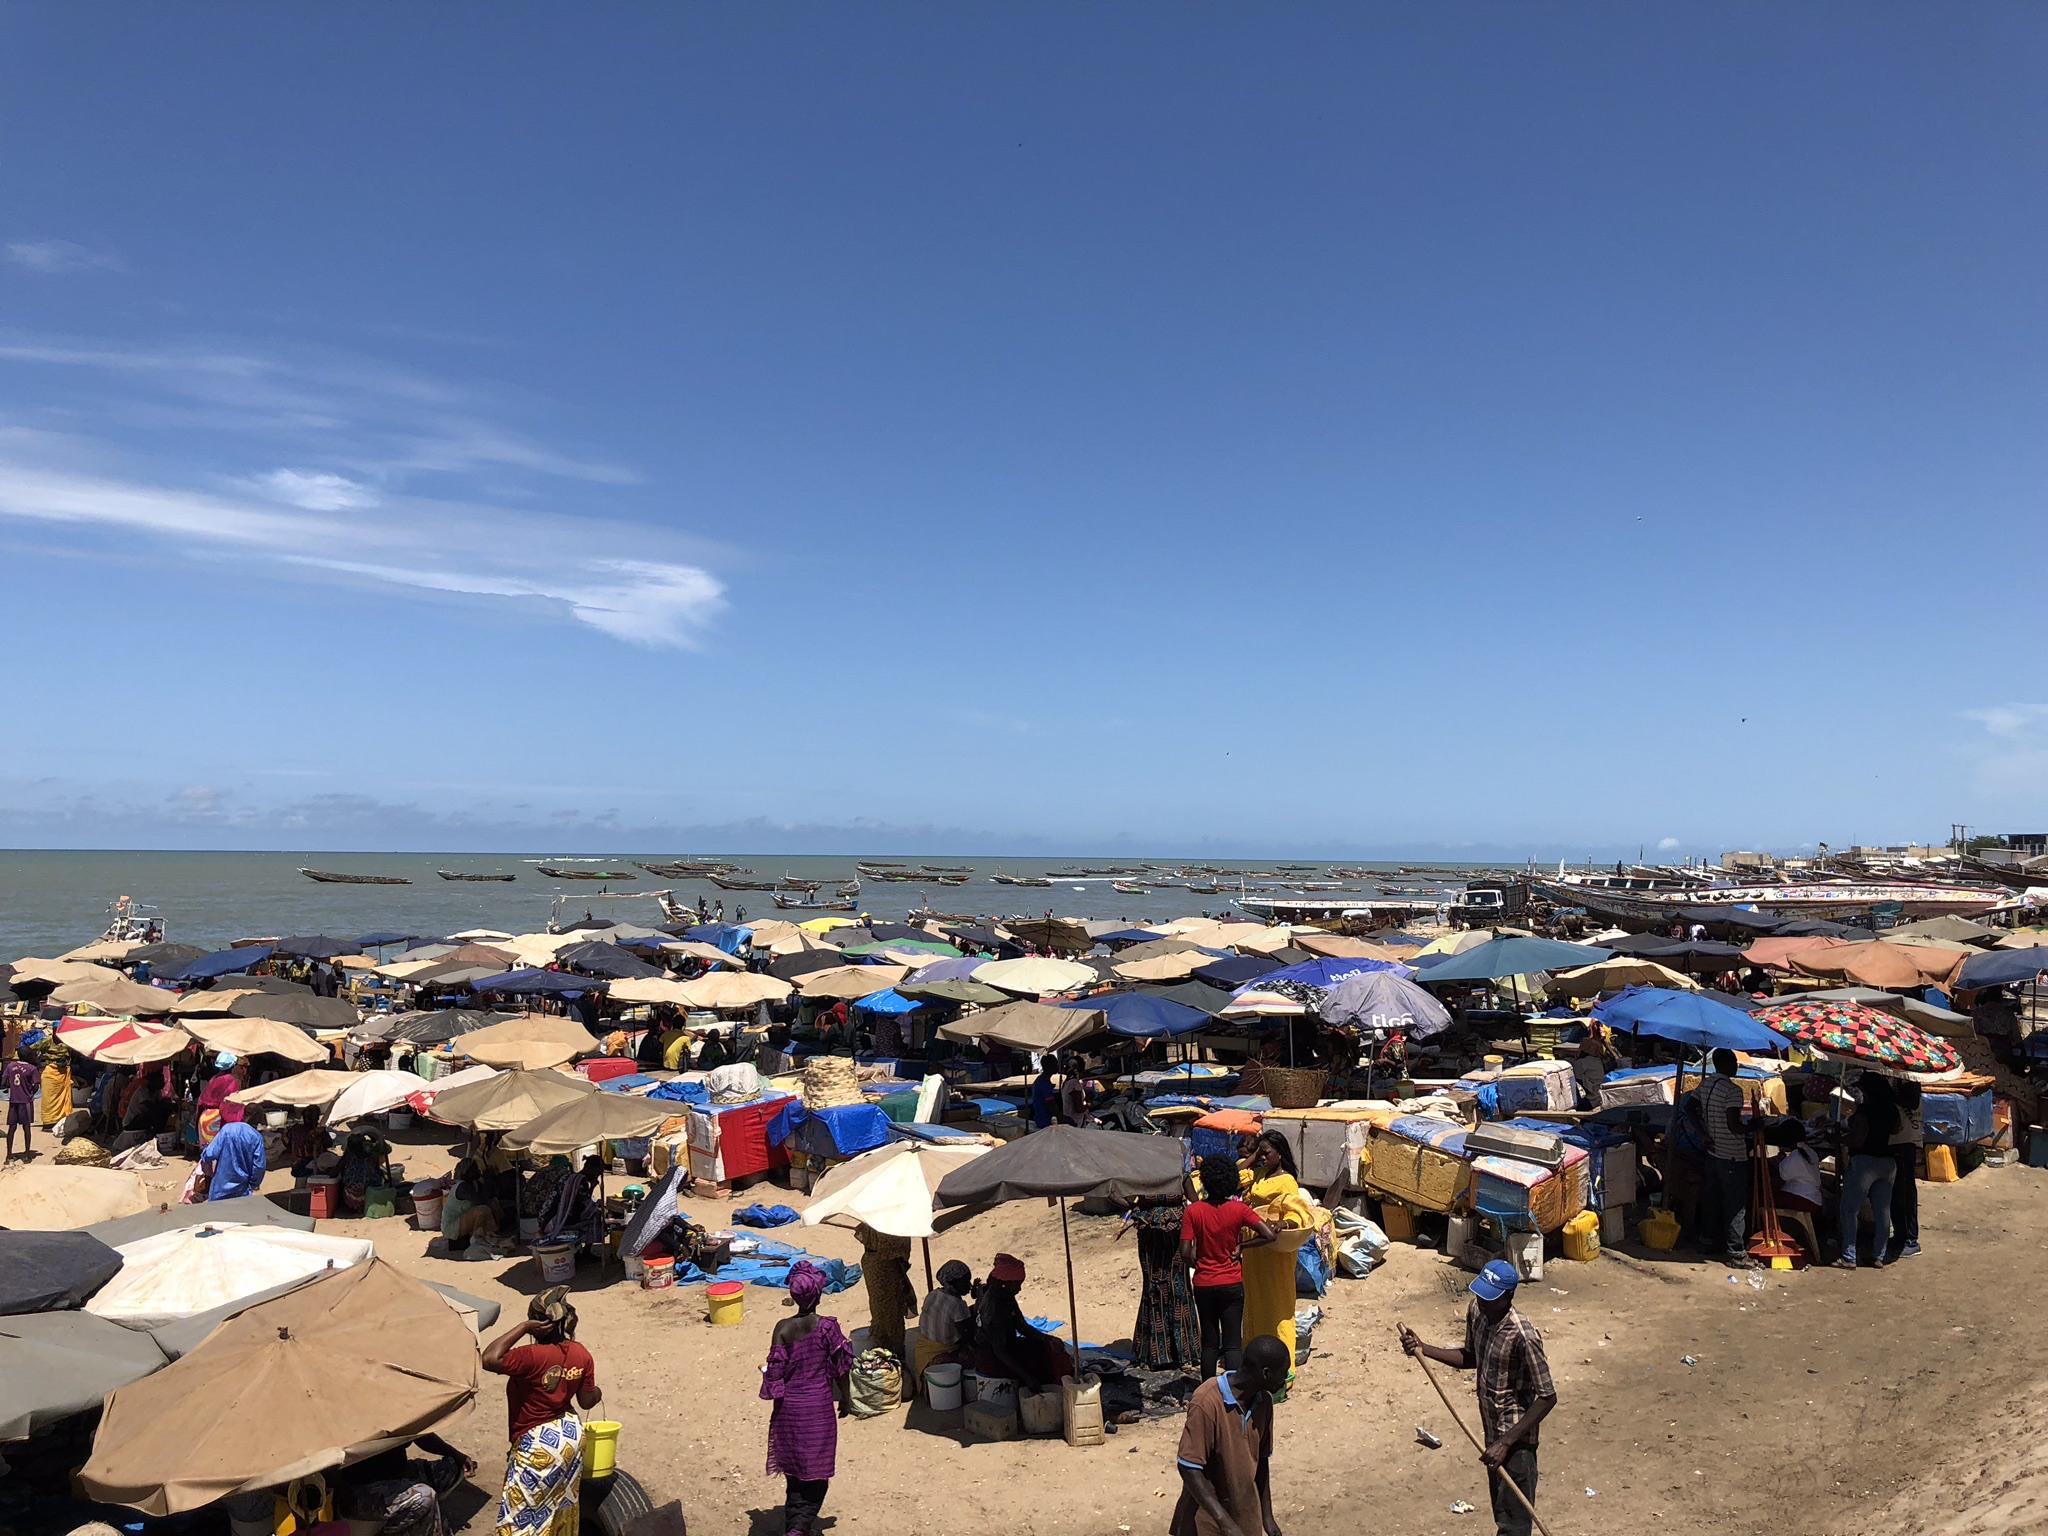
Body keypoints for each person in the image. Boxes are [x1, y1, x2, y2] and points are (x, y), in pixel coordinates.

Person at [1401, 1260, 1557, 1536]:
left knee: (1515, 1523)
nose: (1482, 1301)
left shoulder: (1524, 1336)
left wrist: (1506, 1443)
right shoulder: (1477, 1312)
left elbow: (1547, 1396)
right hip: (1491, 1433)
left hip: (1516, 1441)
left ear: (1508, 1297)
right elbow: (1470, 1356)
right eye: (1480, 1294)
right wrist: (1424, 1349)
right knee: (1502, 1512)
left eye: (1490, 1297)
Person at [482, 1286, 600, 1536]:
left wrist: (523, 1327)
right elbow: (587, 1401)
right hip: (569, 1436)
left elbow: (490, 1358)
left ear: (538, 1323)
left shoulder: (531, 1355)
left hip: (539, 1443)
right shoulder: (581, 1353)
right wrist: (598, 1391)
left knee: (522, 1519)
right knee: (560, 1505)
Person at [760, 1260, 853, 1536]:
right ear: (819, 1294)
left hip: (789, 1412)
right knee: (817, 1476)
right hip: (818, 1411)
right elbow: (841, 1368)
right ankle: (798, 1529)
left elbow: (774, 1372)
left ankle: (796, 1525)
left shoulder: (782, 1328)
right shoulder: (827, 1328)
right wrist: (846, 1399)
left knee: (795, 1476)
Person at [1170, 1332, 1291, 1536]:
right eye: (1284, 1373)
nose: (1285, 1380)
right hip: (1206, 1524)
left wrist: (1267, 1518)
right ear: (1266, 1373)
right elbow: (1189, 1467)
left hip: (1244, 1520)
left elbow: (1261, 1462)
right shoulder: (1207, 1402)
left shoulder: (1264, 1403)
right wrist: (1224, 1523)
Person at [1179, 1155, 1277, 1379]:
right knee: (1233, 1344)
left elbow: (1185, 1252)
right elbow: (1269, 1235)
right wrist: (1242, 1246)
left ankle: (1207, 1390)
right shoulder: (1239, 1209)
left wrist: (1199, 1260)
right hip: (1232, 1282)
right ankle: (1233, 1391)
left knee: (1209, 1344)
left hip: (1204, 1283)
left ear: (1205, 1180)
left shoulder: (1193, 1212)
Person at [1239, 1132, 1315, 1369]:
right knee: (1254, 1301)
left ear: (1280, 1154)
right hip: (1253, 1247)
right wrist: (1255, 1155)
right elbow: (1235, 1175)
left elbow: (1296, 1212)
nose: (1262, 1157)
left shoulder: (1287, 1181)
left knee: (1276, 1305)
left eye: (1267, 1153)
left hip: (1275, 1247)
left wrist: (1283, 1224)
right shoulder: (1259, 1173)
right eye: (1260, 1153)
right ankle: (1254, 1361)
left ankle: (1282, 1366)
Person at [966, 1252, 1072, 1390]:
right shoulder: (993, 1310)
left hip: (1006, 1346)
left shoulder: (1004, 1296)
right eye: (1017, 1285)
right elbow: (1000, 1352)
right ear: (1005, 1283)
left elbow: (1021, 1325)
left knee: (1042, 1348)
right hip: (991, 1358)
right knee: (1037, 1361)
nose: (1019, 1289)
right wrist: (1028, 1377)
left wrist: (1047, 1339)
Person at [333, 1434, 475, 1536]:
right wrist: (343, 1496)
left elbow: (420, 1435)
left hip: (398, 1472)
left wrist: (457, 1455)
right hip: (363, 1488)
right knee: (424, 1497)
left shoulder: (388, 1403)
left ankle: (421, 1517)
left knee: (452, 1467)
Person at [1694, 1048, 1753, 1266]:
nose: (1737, 1066)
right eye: (1735, 1062)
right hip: (1732, 1155)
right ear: (1726, 1064)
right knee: (1735, 1204)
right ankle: (1736, 1252)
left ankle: (1707, 1240)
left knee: (1711, 1199)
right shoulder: (1733, 1090)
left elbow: (1691, 1107)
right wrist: (1752, 1126)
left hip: (1713, 1152)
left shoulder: (1706, 1084)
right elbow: (1734, 1125)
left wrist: (1703, 1133)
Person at [1131, 1192, 1201, 1373]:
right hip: (1151, 1236)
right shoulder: (1143, 1173)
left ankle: (1178, 1353)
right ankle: (1163, 1354)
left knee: (1177, 1287)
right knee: (1155, 1288)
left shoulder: (1176, 1173)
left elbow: (1194, 1201)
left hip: (1175, 1237)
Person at [1835, 1075, 1900, 1270]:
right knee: (1882, 1212)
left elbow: (1857, 1140)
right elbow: (1896, 1130)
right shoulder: (1891, 1111)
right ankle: (1878, 1255)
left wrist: (1839, 1137)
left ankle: (1849, 1256)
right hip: (1888, 1163)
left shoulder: (1863, 1112)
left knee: (1850, 1209)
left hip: (1865, 1163)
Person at [855, 1222, 915, 1359]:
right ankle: (891, 1353)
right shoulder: (882, 1258)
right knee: (890, 1318)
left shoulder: (869, 1255)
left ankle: (887, 1350)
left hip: (881, 1269)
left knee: (883, 1315)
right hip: (887, 1273)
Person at [914, 1259, 973, 1389]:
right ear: (955, 1282)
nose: (969, 1285)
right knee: (982, 1358)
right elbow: (968, 1334)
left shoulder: (933, 1294)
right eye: (966, 1281)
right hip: (939, 1358)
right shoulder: (957, 1305)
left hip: (923, 1353)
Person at [1888, 1079, 1923, 1261]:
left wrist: (1889, 1095)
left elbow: (1913, 1102)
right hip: (1895, 1139)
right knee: (1895, 1193)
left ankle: (1911, 1240)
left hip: (1904, 1140)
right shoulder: (1894, 1077)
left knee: (1904, 1191)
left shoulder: (1908, 1079)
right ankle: (1901, 1235)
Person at [201, 1114, 268, 1200]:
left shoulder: (227, 1129)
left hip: (220, 1189)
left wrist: (204, 1151)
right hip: (242, 1191)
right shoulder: (256, 1137)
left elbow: (210, 1154)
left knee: (216, 1212)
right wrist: (252, 1184)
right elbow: (259, 1167)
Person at [3, 1050, 39, 1161]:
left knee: (12, 1127)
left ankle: (9, 1154)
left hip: (13, 1101)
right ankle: (27, 1154)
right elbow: (36, 1085)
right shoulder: (32, 1069)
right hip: (26, 1101)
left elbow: (4, 1082)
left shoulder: (10, 1066)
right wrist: (30, 1092)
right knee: (26, 1127)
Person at [1029, 1056, 1059, 1131]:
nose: (1057, 1067)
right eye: (1055, 1064)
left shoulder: (1040, 1080)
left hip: (1039, 1117)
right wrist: (1063, 1118)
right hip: (1045, 1120)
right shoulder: (1045, 1084)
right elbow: (1051, 1106)